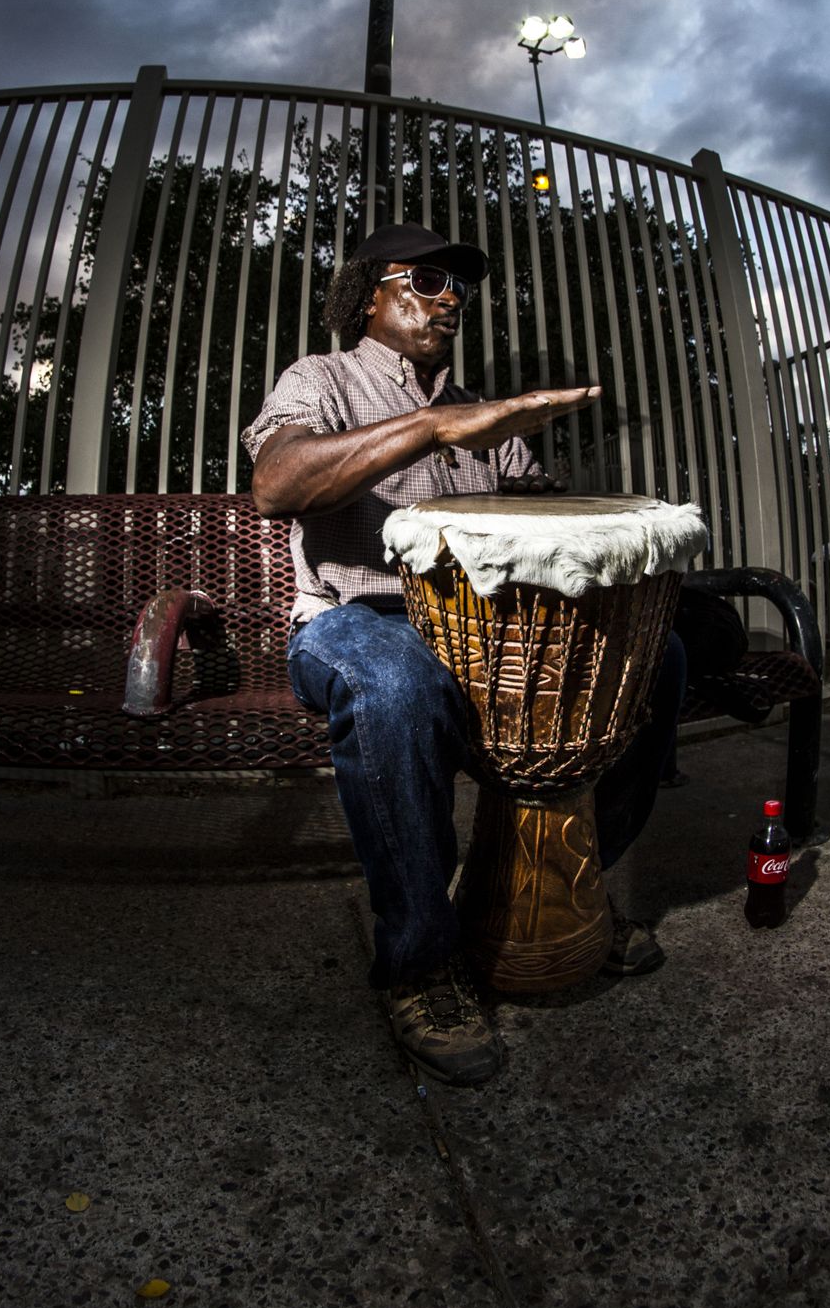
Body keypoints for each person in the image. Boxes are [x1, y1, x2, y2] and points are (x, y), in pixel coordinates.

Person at [245, 222, 686, 1087]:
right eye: (427, 279)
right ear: (369, 291)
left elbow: (536, 527)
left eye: (460, 287)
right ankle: (420, 959)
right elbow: (279, 484)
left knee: (657, 659)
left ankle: (571, 892)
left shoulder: (483, 410)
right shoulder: (321, 379)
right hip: (354, 619)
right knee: (393, 683)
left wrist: (572, 509)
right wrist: (440, 426)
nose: (450, 298)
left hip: (487, 632)